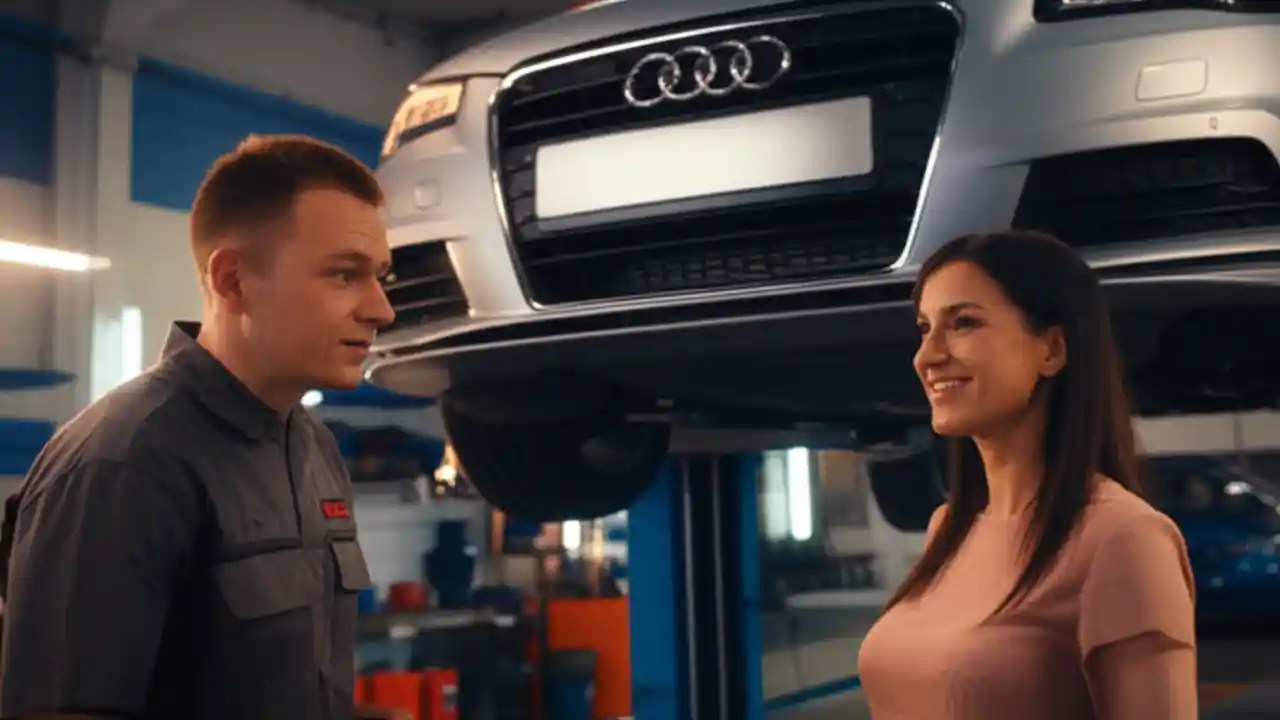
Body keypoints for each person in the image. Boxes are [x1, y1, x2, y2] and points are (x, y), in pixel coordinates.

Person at [0, 135, 410, 720]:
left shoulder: (313, 447)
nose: (381, 309)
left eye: (381, 278)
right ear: (233, 281)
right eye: (345, 275)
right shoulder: (122, 463)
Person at [857, 230, 1198, 719]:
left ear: (1052, 350)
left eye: (964, 323)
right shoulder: (947, 529)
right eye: (924, 328)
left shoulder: (1123, 539)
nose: (927, 356)